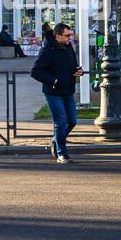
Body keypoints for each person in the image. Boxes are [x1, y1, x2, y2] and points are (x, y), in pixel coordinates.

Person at [31, 22, 84, 165]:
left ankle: (56, 139)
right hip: (53, 92)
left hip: (68, 90)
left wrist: (79, 71)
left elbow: (73, 65)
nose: (70, 38)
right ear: (57, 36)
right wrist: (53, 81)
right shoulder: (47, 50)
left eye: (71, 35)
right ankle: (62, 153)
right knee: (60, 122)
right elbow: (35, 71)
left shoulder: (68, 47)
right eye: (67, 36)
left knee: (72, 121)